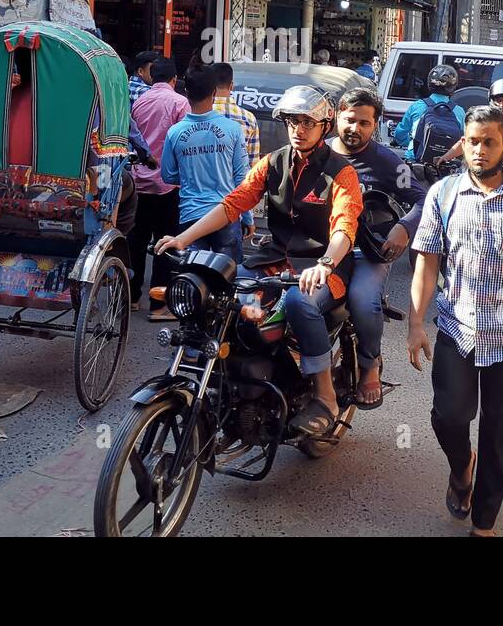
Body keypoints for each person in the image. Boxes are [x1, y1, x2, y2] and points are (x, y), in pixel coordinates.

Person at [155, 86, 363, 438]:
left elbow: (345, 226)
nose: (299, 129)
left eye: (308, 123)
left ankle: (325, 396)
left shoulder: (341, 173)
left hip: (323, 267)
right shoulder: (273, 163)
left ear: (325, 126)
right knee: (229, 295)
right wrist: (183, 238)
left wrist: (325, 263)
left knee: (299, 302)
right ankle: (239, 376)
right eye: (293, 122)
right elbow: (232, 205)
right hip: (275, 261)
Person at [407, 106, 503, 535]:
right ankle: (461, 468)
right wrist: (415, 324)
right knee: (449, 418)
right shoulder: (442, 194)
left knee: (498, 438)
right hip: (457, 332)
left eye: (489, 142)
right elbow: (426, 264)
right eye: (472, 141)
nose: (479, 150)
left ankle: (484, 522)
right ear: (463, 141)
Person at [329, 87, 428, 407]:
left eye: (364, 123)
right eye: (349, 120)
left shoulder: (384, 160)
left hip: (365, 251)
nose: (354, 129)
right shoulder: (318, 153)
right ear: (335, 117)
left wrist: (404, 228)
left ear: (375, 126)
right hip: (319, 251)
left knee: (363, 299)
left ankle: (370, 364)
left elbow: (422, 198)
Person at [159, 66, 250, 282]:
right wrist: (247, 217)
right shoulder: (232, 129)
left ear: (186, 93)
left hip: (190, 216)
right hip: (226, 214)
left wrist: (191, 176)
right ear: (214, 93)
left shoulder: (175, 132)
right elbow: (241, 178)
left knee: (193, 283)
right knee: (230, 283)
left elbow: (167, 175)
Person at [127, 56, 189, 314]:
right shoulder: (179, 102)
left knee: (136, 241)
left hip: (139, 182)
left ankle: (131, 297)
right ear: (174, 80)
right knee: (166, 242)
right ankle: (158, 305)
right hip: (168, 184)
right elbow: (184, 142)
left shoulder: (140, 101)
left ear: (152, 78)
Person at [394, 64, 466, 161]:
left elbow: (399, 134)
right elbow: (464, 140)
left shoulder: (417, 106)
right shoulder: (459, 111)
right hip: (446, 164)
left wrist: (413, 144)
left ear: (429, 83)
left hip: (416, 160)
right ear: (453, 86)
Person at [212, 62, 260, 169]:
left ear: (209, 85)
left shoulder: (201, 115)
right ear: (231, 86)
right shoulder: (249, 119)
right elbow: (253, 165)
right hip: (239, 184)